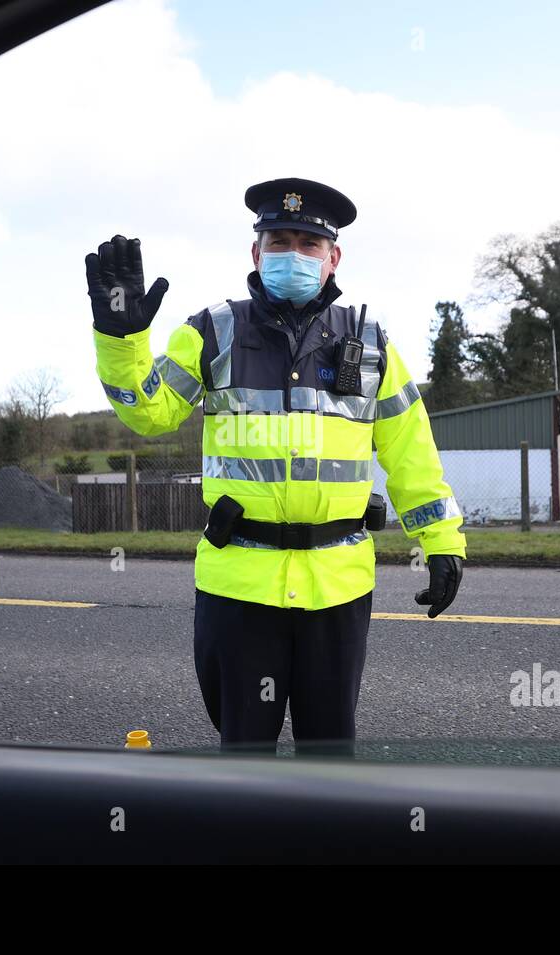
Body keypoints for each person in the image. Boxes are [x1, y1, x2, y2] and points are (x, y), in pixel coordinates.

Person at [87, 177, 465, 757]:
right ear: (256, 252)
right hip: (239, 590)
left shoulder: (371, 343)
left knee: (329, 754)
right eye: (279, 241)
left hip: (338, 590)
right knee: (245, 754)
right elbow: (149, 411)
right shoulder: (212, 332)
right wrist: (122, 337)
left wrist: (441, 542)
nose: (293, 255)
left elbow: (410, 449)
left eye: (308, 243)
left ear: (333, 257)